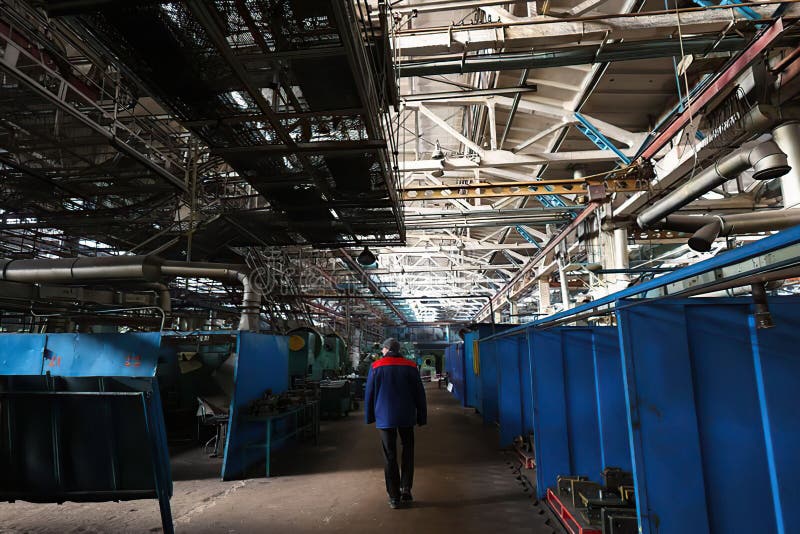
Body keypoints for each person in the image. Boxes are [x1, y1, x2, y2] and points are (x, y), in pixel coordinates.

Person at [365, 337, 427, 509]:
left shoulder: (376, 366)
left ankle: (394, 497)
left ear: (385, 349)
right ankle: (406, 488)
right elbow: (419, 393)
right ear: (399, 350)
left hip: (385, 418)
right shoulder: (410, 366)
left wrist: (369, 416)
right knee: (408, 450)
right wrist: (422, 416)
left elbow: (369, 393)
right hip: (407, 416)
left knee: (389, 455)